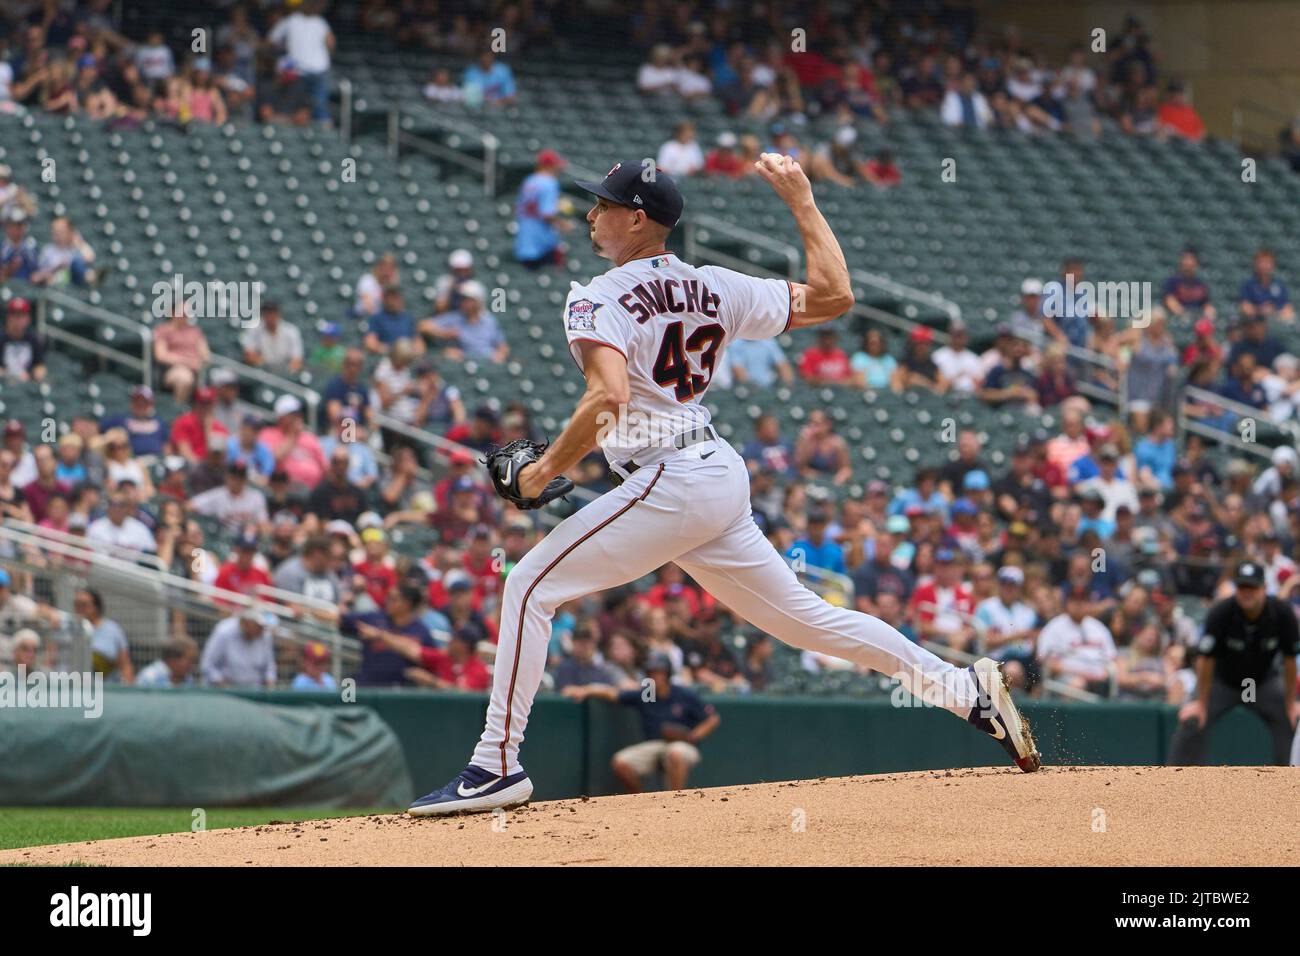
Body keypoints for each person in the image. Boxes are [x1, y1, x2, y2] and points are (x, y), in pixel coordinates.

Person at [407, 151, 1039, 817]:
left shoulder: (596, 297)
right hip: (710, 473)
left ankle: (495, 765)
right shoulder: (716, 285)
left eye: (604, 205)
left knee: (529, 584)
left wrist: (540, 472)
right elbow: (834, 297)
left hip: (672, 479)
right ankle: (963, 688)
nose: (591, 214)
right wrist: (801, 200)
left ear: (639, 219)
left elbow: (607, 402)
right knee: (809, 621)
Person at [1170, 561, 1298, 766]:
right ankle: (1175, 783)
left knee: (1294, 720)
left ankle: (1290, 783)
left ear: (1264, 588)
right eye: (1242, 587)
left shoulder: (1281, 613)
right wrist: (1200, 702)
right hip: (1223, 682)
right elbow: (1206, 659)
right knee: (1192, 718)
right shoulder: (1222, 611)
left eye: (1252, 587)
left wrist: (1290, 704)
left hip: (1263, 682)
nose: (1247, 593)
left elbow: (1290, 661)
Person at [564, 654, 720, 793]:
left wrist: (692, 736)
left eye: (659, 672)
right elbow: (613, 693)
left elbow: (712, 718)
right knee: (621, 763)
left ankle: (676, 800)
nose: (655, 676)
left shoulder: (683, 694)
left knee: (675, 753)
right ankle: (642, 801)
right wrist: (587, 690)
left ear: (667, 674)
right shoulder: (647, 694)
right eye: (651, 672)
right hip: (655, 743)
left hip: (683, 744)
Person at [514, 150, 569, 269]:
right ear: (549, 166)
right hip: (542, 244)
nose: (558, 169)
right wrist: (563, 224)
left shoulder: (529, 181)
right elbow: (547, 214)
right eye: (556, 166)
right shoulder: (549, 182)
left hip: (525, 240)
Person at [200, 610, 277, 688]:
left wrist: (270, 684)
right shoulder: (223, 631)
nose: (262, 630)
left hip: (255, 690)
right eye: (259, 626)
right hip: (223, 691)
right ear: (246, 622)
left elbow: (269, 667)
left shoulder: (265, 635)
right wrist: (221, 683)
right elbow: (207, 665)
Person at [75, 587, 133, 684]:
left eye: (84, 605)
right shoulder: (70, 629)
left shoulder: (113, 631)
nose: (79, 609)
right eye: (76, 605)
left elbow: (125, 665)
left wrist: (128, 688)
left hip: (106, 692)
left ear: (95, 607)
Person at [0, 296, 45, 383]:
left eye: (21, 316)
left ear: (28, 319)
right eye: (14, 315)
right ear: (8, 317)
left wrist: (34, 375)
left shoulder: (33, 340)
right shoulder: (1, 338)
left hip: (27, 385)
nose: (17, 320)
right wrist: (11, 375)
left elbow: (40, 365)